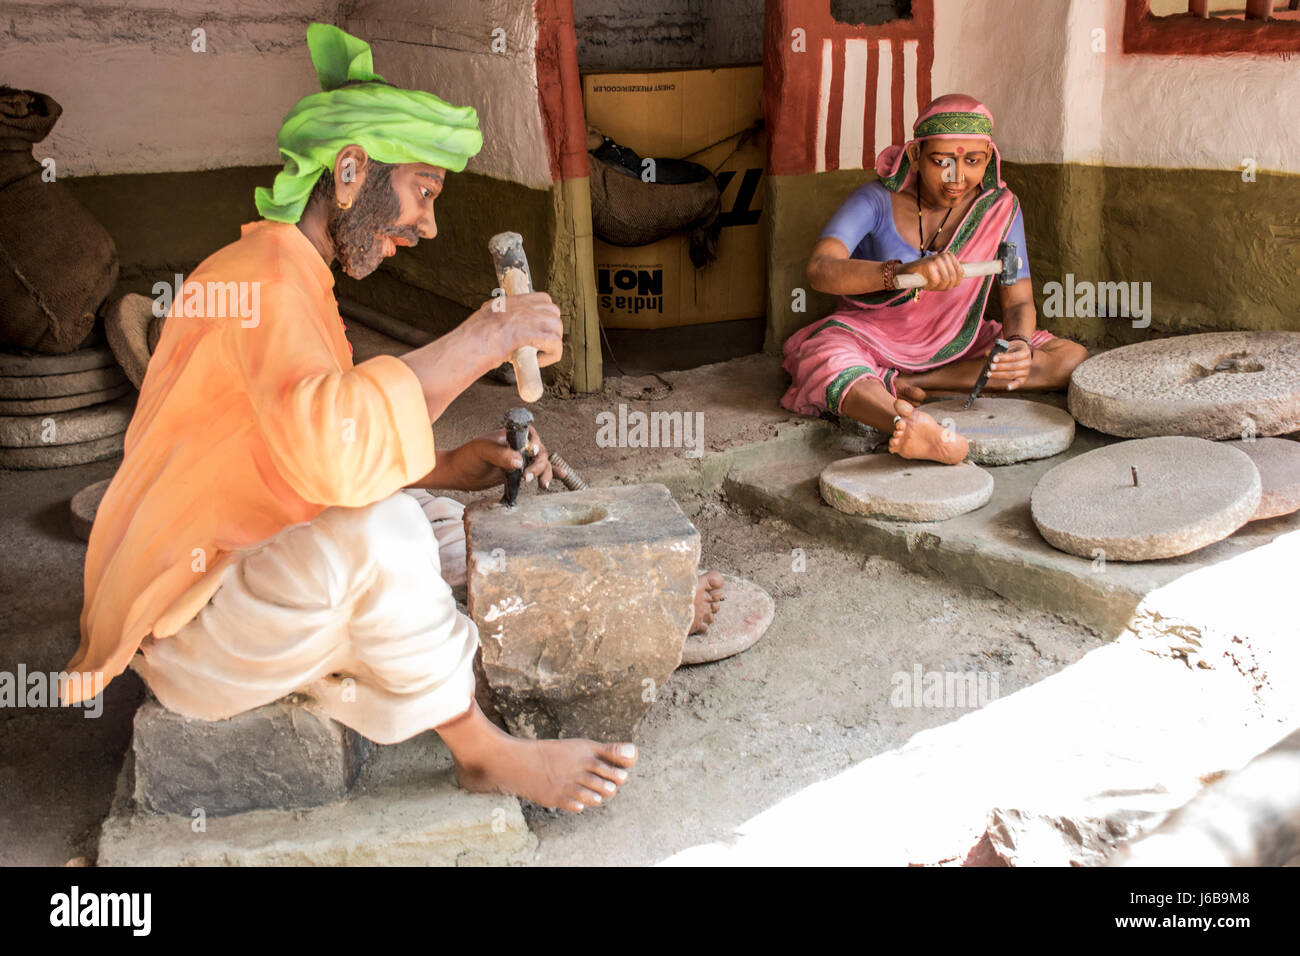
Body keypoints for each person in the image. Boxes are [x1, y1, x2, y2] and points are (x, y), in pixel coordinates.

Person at [63, 24, 724, 815]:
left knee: (433, 513)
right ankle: (482, 751)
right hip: (194, 631)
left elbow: (317, 443)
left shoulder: (293, 273)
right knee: (387, 536)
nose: (428, 225)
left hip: (243, 579)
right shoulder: (262, 283)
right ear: (350, 172)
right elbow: (336, 461)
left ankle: (551, 622)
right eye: (423, 191)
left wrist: (446, 465)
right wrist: (485, 338)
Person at [782, 93, 1088, 464]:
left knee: (1068, 358)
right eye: (941, 161)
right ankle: (905, 423)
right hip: (870, 337)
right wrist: (903, 273)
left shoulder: (1000, 209)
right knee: (823, 358)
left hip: (959, 340)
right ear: (914, 156)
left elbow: (1019, 299)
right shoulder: (875, 200)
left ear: (989, 159)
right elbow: (820, 268)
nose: (957, 178)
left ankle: (915, 383)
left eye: (972, 162)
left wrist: (1020, 344)